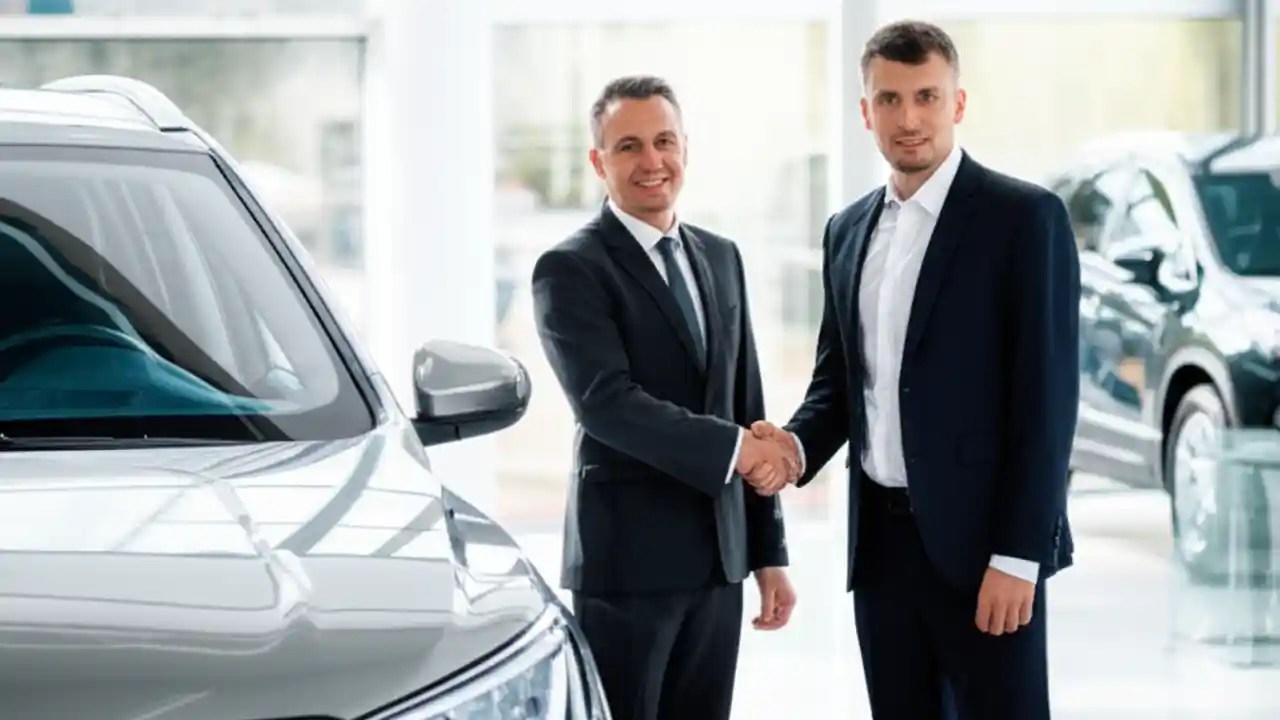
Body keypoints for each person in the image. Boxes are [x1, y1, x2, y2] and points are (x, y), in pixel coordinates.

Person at [753, 20, 1080, 720]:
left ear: (958, 104)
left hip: (986, 551)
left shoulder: (1022, 219)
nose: (909, 119)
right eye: (891, 100)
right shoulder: (847, 229)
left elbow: (1046, 403)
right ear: (865, 112)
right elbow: (840, 383)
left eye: (927, 96)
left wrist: (1019, 555)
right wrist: (793, 447)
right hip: (883, 552)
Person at [530, 75, 800, 720]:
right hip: (628, 567)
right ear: (599, 162)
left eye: (664, 142)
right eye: (628, 147)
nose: (651, 162)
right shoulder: (571, 269)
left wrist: (767, 554)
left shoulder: (722, 256)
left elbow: (745, 402)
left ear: (685, 149)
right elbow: (607, 403)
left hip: (719, 562)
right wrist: (739, 450)